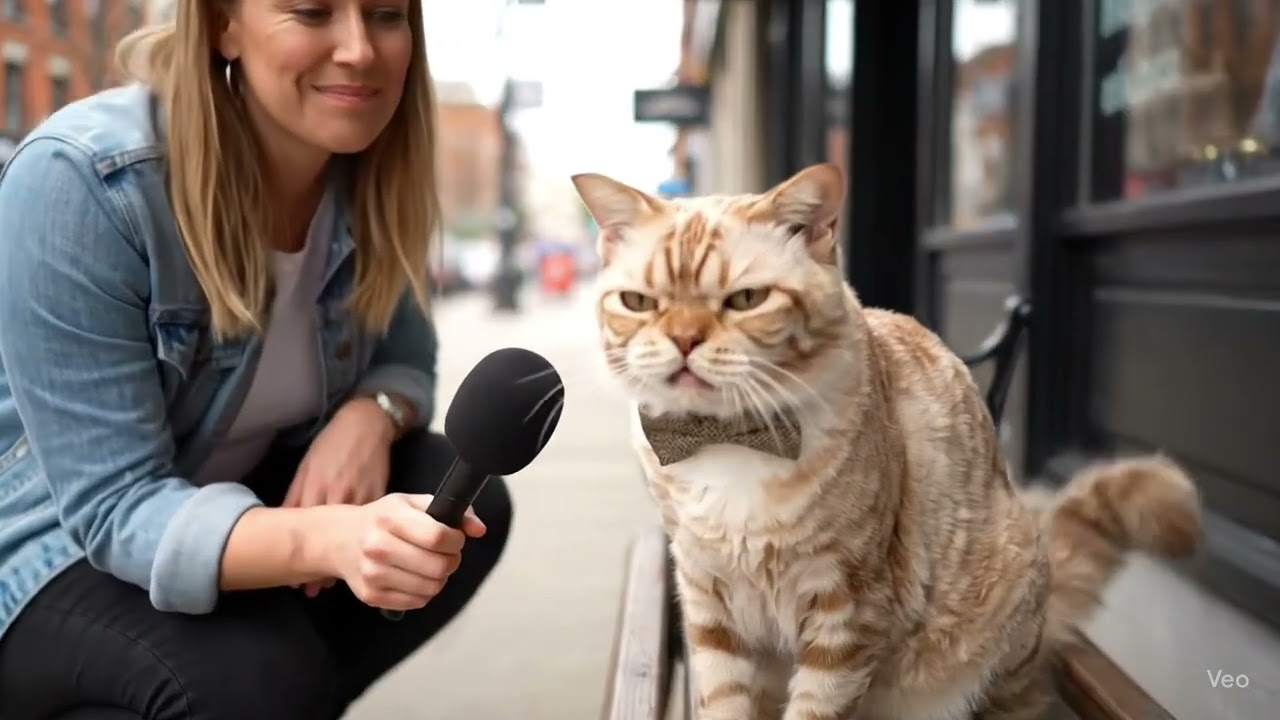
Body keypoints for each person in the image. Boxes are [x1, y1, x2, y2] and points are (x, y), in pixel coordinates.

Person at [0, 1, 513, 718]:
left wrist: (370, 416)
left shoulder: (365, 177)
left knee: (454, 503)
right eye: (311, 11)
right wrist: (325, 539)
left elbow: (406, 355)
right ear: (220, 25)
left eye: (388, 15)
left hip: (224, 500)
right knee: (256, 677)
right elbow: (116, 509)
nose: (360, 49)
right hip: (48, 554)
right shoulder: (86, 180)